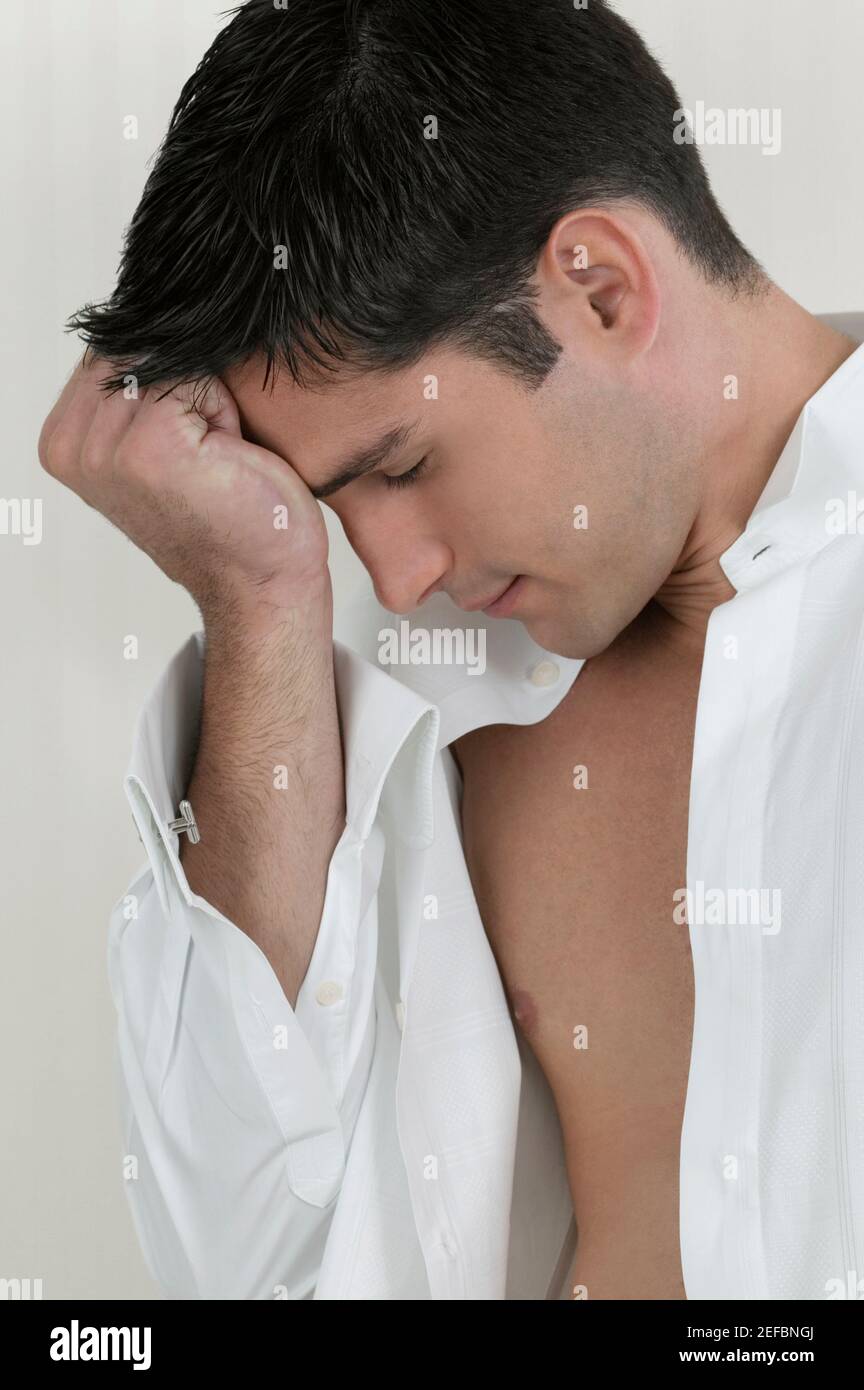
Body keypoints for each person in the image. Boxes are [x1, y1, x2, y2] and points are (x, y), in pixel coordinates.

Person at [38, 0, 864, 1299]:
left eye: (405, 466)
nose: (398, 570)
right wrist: (258, 594)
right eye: (335, 503)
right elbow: (236, 1259)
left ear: (598, 288)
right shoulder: (406, 689)